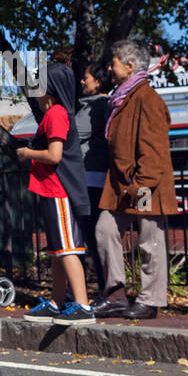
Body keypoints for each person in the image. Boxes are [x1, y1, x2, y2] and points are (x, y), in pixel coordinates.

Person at [92, 39, 179, 320]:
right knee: (105, 230)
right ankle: (116, 295)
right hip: (122, 185)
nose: (109, 67)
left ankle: (149, 301)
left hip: (145, 186)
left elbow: (154, 152)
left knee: (149, 241)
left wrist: (139, 186)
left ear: (130, 66)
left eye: (114, 62)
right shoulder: (124, 96)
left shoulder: (147, 98)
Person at [16, 62, 95, 324]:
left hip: (58, 190)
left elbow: (54, 154)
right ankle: (57, 301)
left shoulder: (57, 114)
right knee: (58, 251)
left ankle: (82, 305)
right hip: (51, 190)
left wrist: (27, 154)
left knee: (68, 248)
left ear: (50, 90)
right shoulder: (56, 114)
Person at [77, 59, 111, 300]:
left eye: (86, 78)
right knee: (90, 235)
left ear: (98, 82)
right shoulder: (95, 105)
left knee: (90, 235)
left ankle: (102, 289)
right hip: (93, 178)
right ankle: (100, 288)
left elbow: (71, 133)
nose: (82, 81)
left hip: (91, 180)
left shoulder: (96, 106)